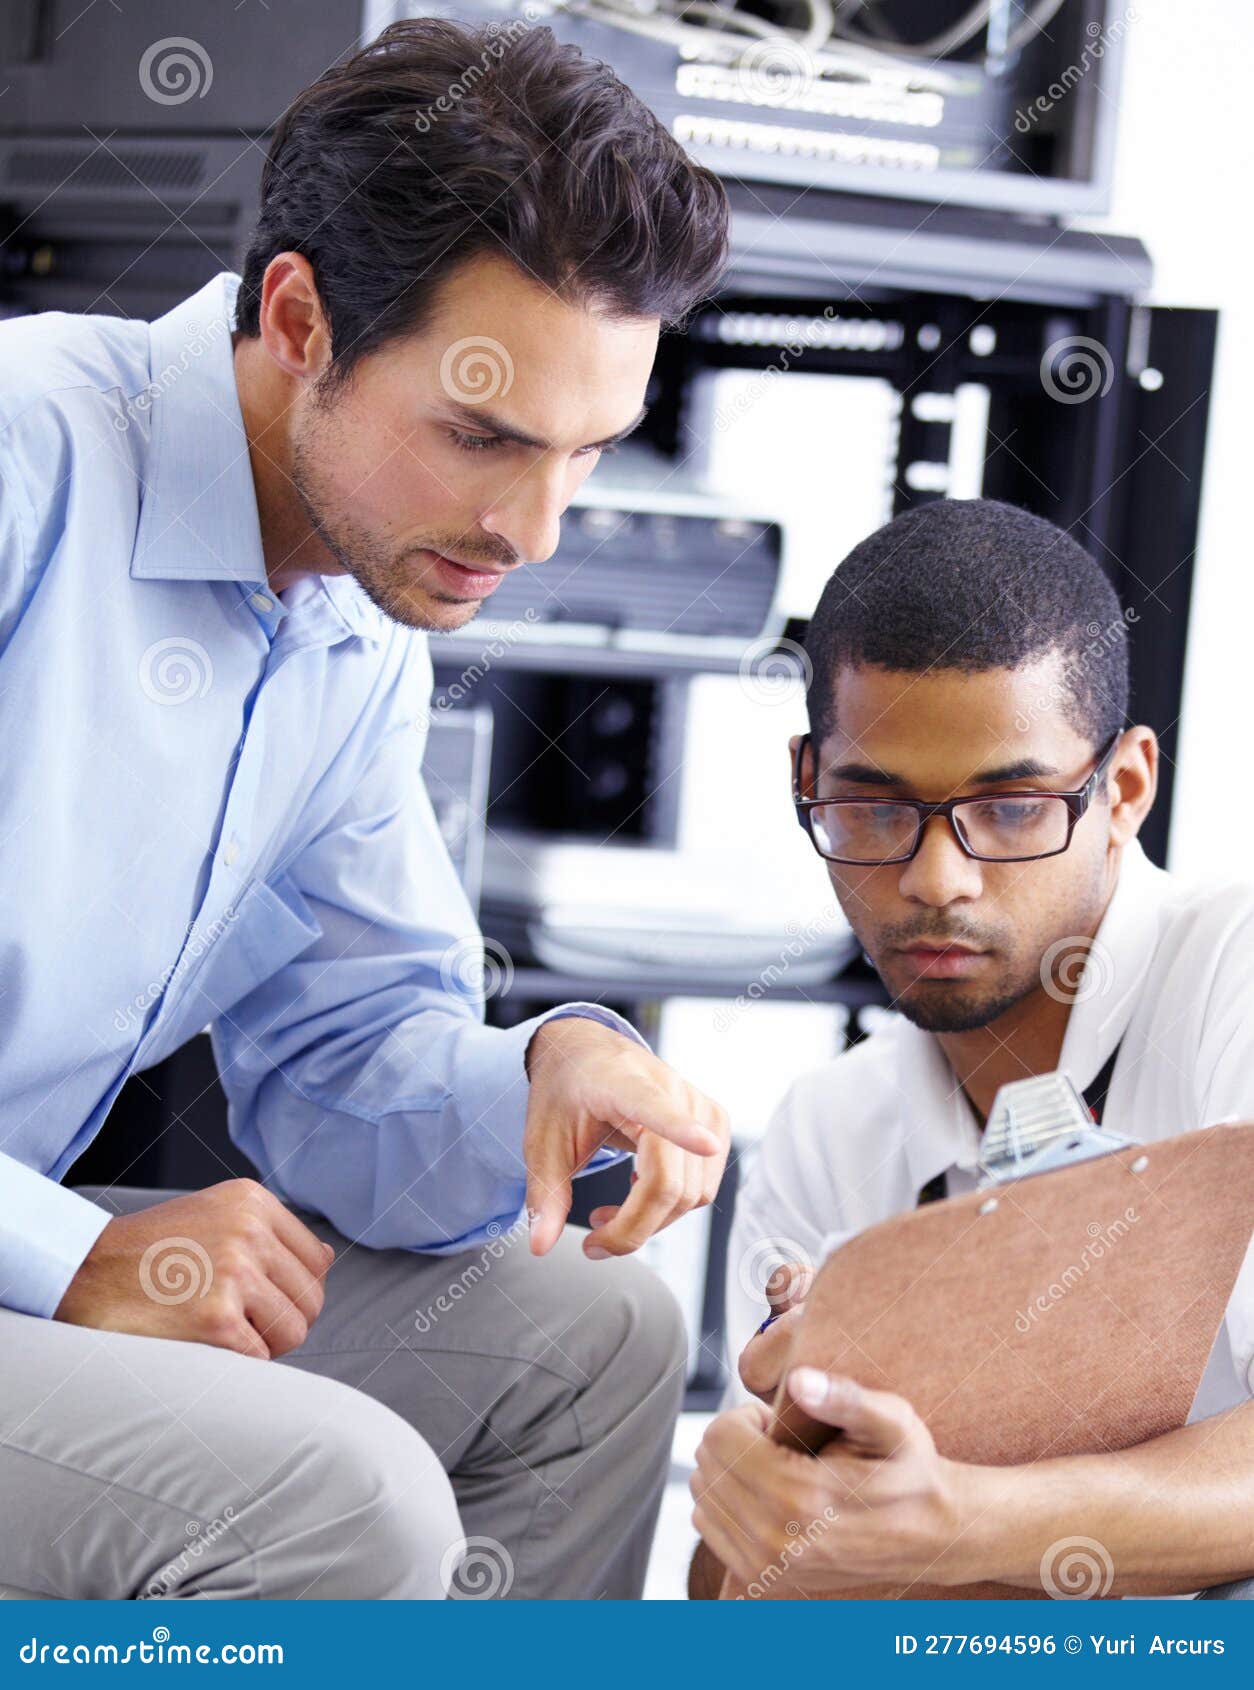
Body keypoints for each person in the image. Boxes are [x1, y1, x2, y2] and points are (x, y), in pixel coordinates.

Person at [0, 19, 732, 1599]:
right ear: (297, 319)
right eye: (482, 436)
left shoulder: (352, 607)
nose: (532, 530)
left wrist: (543, 1074)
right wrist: (66, 1256)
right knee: (346, 1501)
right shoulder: (22, 453)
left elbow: (345, 1059)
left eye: (588, 454)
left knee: (595, 1335)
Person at [691, 498, 1254, 1598]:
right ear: (809, 782)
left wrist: (958, 1524)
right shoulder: (827, 1130)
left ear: (1125, 790)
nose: (935, 880)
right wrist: (787, 1465)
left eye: (1011, 808)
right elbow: (734, 1600)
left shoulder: (1234, 975)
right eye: (873, 808)